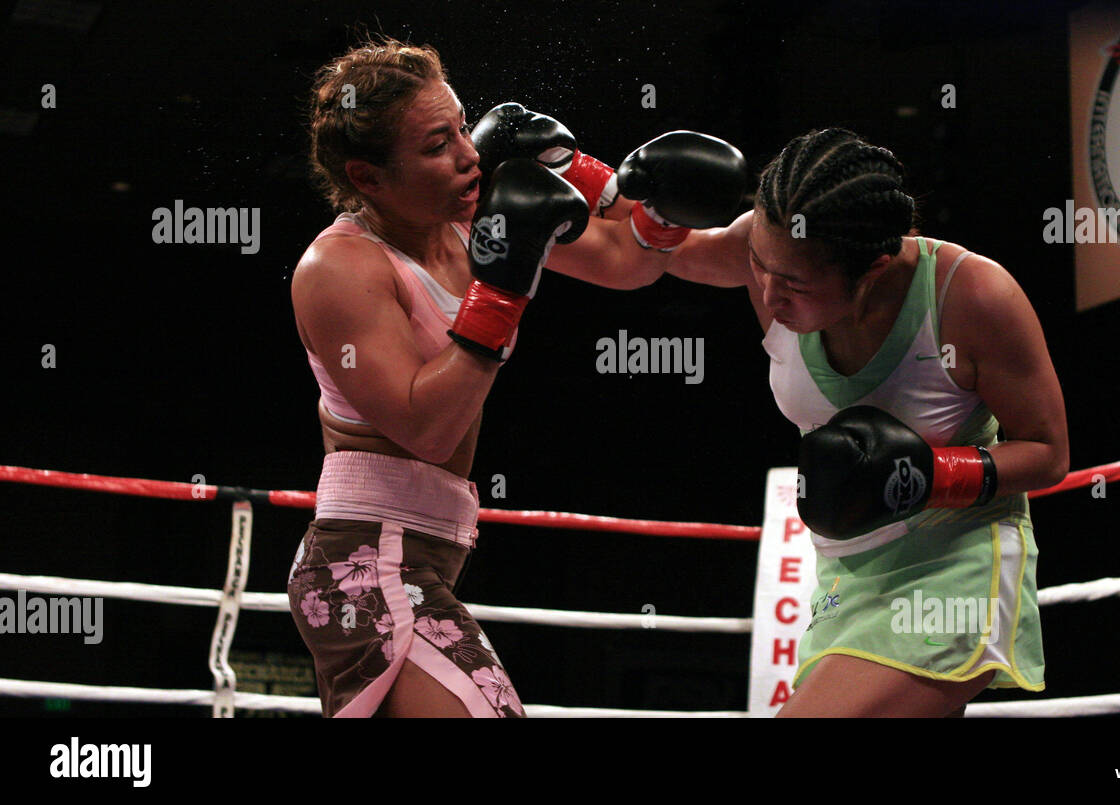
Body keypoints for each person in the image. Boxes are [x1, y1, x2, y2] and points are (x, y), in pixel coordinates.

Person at [285, 37, 745, 717]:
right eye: (437, 145)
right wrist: (501, 290)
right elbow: (428, 426)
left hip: (425, 553)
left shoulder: (471, 218)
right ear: (369, 176)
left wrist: (600, 179)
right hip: (364, 563)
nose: (469, 153)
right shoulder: (341, 270)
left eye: (461, 127)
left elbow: (627, 262)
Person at [552, 127, 1069, 717]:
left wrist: (932, 473)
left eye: (794, 283)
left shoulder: (971, 295)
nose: (768, 293)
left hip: (953, 566)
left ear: (871, 268)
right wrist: (572, 166)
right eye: (758, 265)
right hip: (845, 576)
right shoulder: (769, 251)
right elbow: (654, 246)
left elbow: (1048, 452)